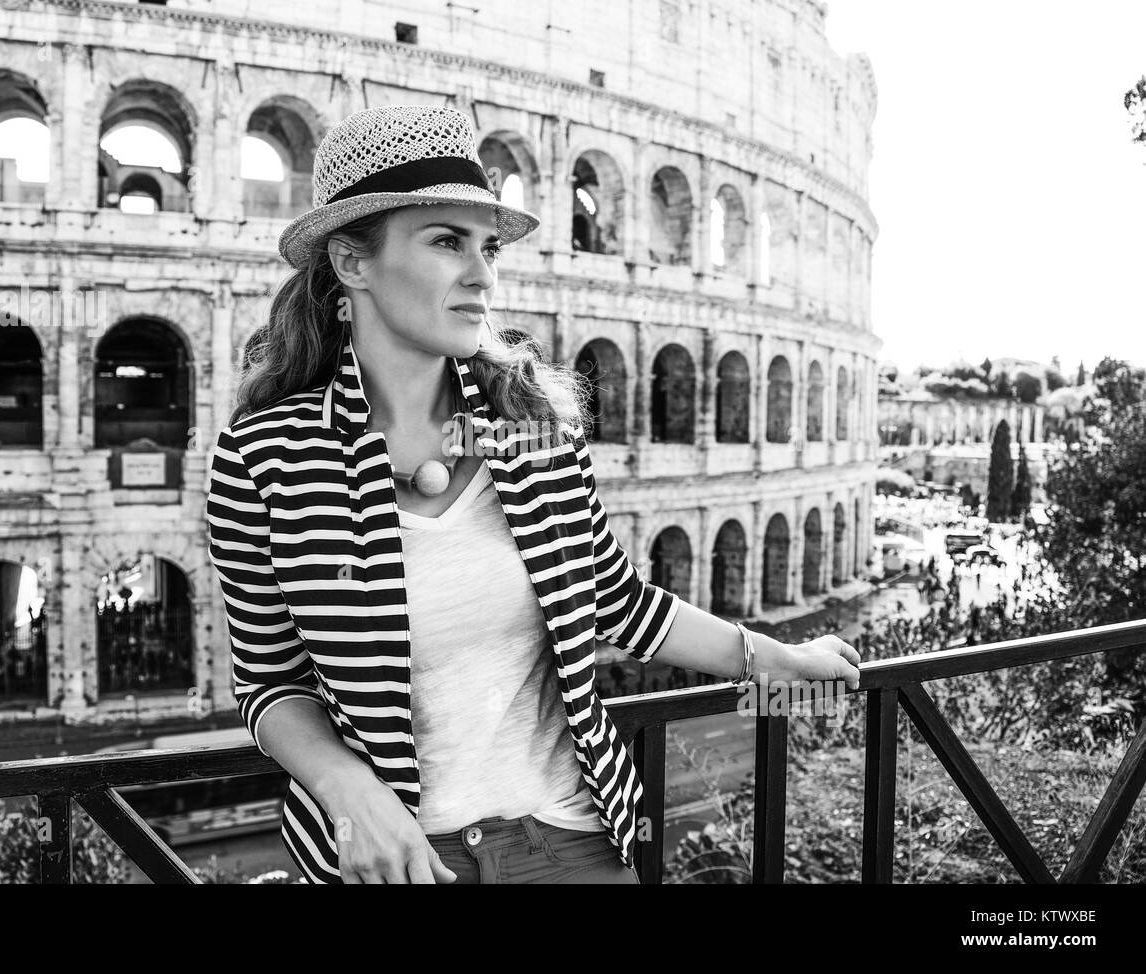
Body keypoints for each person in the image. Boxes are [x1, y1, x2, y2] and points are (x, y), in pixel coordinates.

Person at [205, 104, 861, 885]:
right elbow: (270, 681)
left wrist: (771, 658)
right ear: (352, 263)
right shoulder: (264, 456)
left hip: (573, 842)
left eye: (486, 247)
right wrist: (350, 795)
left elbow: (615, 601)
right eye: (447, 242)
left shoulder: (531, 427)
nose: (483, 274)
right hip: (393, 863)